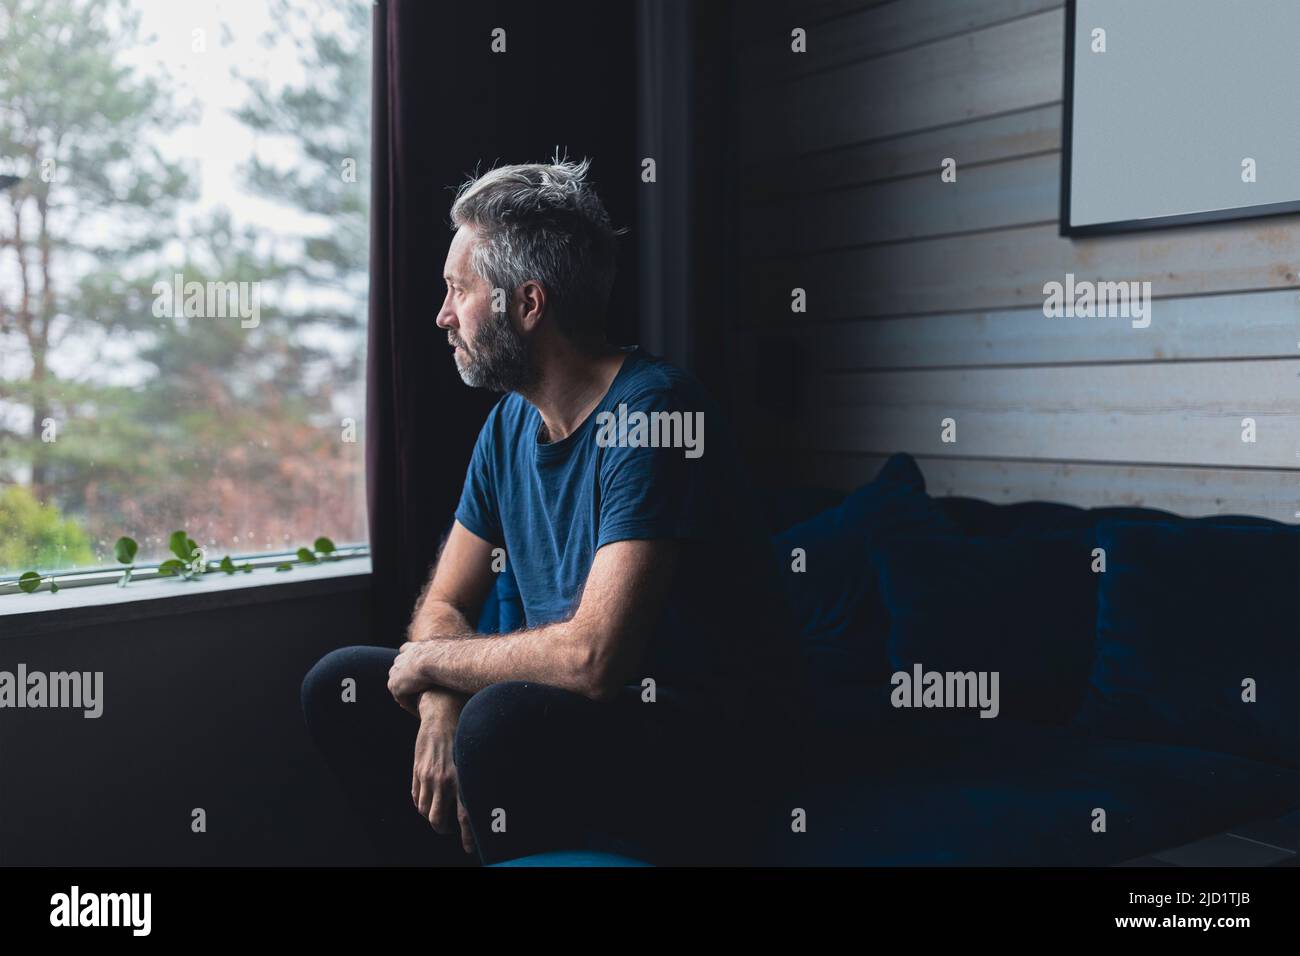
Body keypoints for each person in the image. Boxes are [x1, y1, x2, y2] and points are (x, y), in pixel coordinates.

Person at [301, 158, 809, 866]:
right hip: (571, 720)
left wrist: (438, 672)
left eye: (458, 290)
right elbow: (446, 599)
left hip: (696, 738)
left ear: (527, 305)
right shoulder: (509, 423)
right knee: (343, 683)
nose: (442, 315)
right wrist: (439, 694)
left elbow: (594, 659)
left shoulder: (656, 414)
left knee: (498, 721)